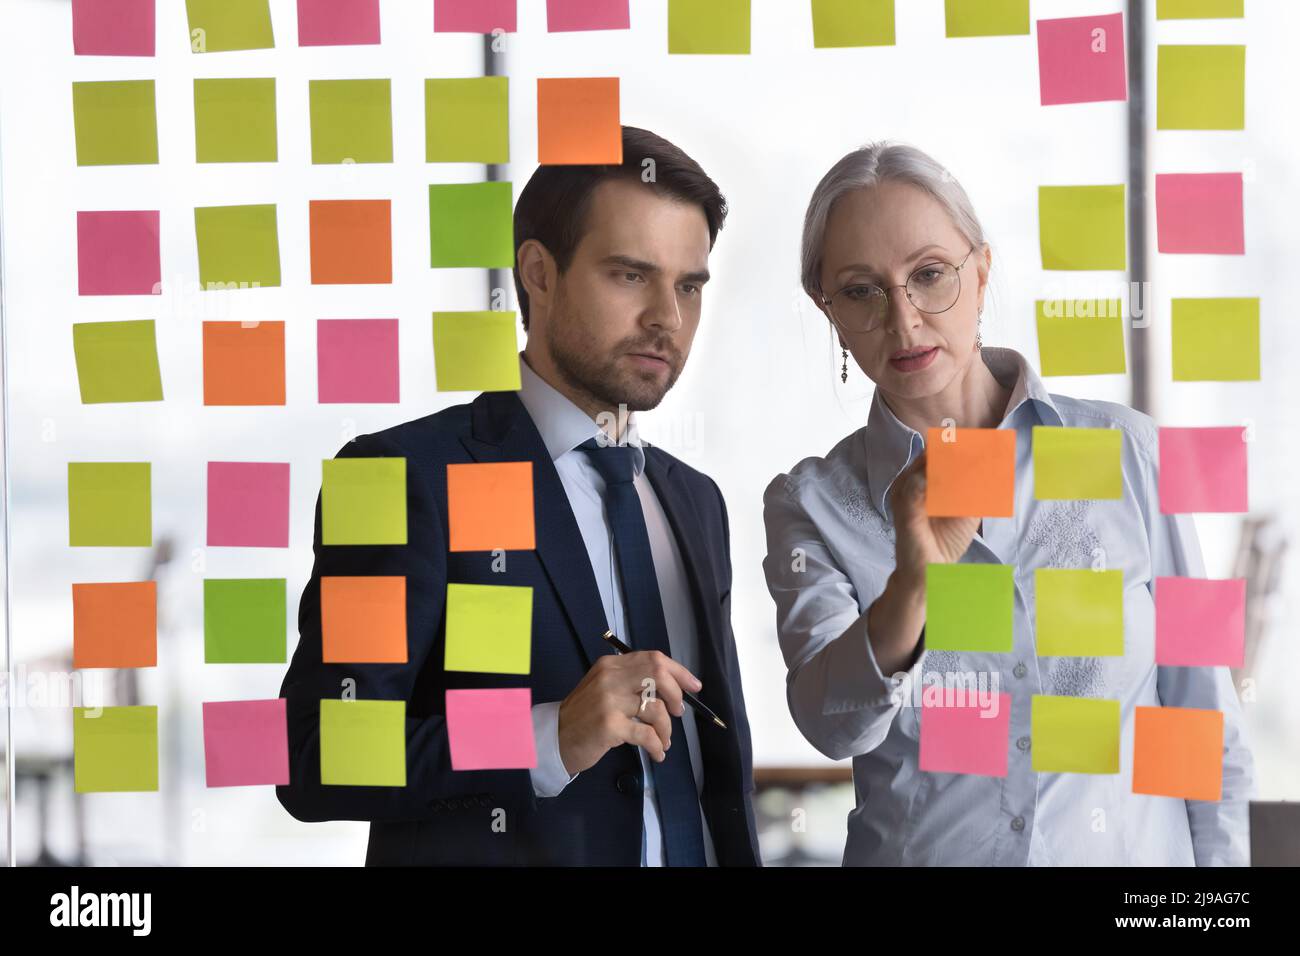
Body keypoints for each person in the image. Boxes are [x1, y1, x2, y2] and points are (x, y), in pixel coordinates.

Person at [761, 141, 1255, 865]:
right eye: (862, 290)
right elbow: (834, 725)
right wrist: (913, 587)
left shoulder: (1130, 453)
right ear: (826, 308)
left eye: (930, 275)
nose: (905, 320)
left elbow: (1205, 726)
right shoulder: (814, 503)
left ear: (982, 272)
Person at [277, 126, 759, 866]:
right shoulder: (401, 476)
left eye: (688, 285)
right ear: (537, 271)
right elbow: (313, 753)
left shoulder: (695, 502)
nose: (668, 316)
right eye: (631, 275)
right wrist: (547, 735)